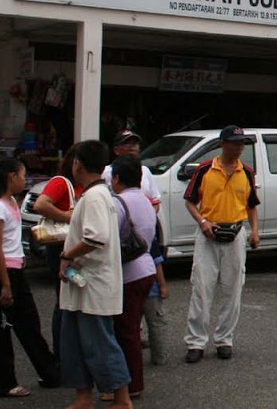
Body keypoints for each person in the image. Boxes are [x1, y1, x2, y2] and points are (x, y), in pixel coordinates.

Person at [57, 140, 132, 408]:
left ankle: (122, 399)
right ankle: (83, 397)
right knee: (76, 344)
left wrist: (67, 255)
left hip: (94, 285)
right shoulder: (97, 194)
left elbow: (96, 238)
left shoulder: (95, 197)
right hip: (83, 284)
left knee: (100, 345)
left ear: (77, 163)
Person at [0, 157, 60, 398]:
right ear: (11, 177)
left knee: (29, 324)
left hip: (18, 270)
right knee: (2, 329)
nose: (24, 181)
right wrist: (4, 283)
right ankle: (3, 382)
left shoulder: (12, 202)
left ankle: (50, 372)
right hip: (3, 272)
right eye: (22, 175)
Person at [183, 125, 261, 364]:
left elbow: (251, 205)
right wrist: (203, 222)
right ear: (222, 144)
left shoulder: (246, 172)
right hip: (209, 232)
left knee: (233, 288)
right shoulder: (205, 169)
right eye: (235, 143)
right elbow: (190, 201)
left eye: (242, 144)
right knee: (201, 288)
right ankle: (196, 342)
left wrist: (254, 231)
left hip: (235, 232)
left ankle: (224, 339)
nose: (239, 148)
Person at [107, 156, 157, 401]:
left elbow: (106, 239)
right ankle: (129, 382)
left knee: (125, 332)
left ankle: (131, 384)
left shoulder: (119, 203)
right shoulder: (147, 201)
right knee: (132, 329)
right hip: (147, 269)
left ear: (116, 178)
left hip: (128, 273)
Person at [32, 146, 80, 358]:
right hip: (60, 248)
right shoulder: (62, 182)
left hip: (75, 248)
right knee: (64, 300)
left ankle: (70, 352)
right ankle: (62, 355)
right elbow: (40, 205)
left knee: (73, 297)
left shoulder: (85, 185)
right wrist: (67, 216)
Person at [102, 130, 160, 204]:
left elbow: (155, 200)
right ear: (116, 150)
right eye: (127, 144)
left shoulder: (145, 171)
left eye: (134, 144)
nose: (131, 147)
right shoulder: (106, 172)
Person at [142, 239, 168, 367]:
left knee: (131, 325)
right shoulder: (149, 237)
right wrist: (162, 285)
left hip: (130, 287)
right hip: (151, 288)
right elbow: (157, 262)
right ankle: (159, 356)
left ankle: (132, 357)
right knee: (156, 324)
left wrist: (162, 285)